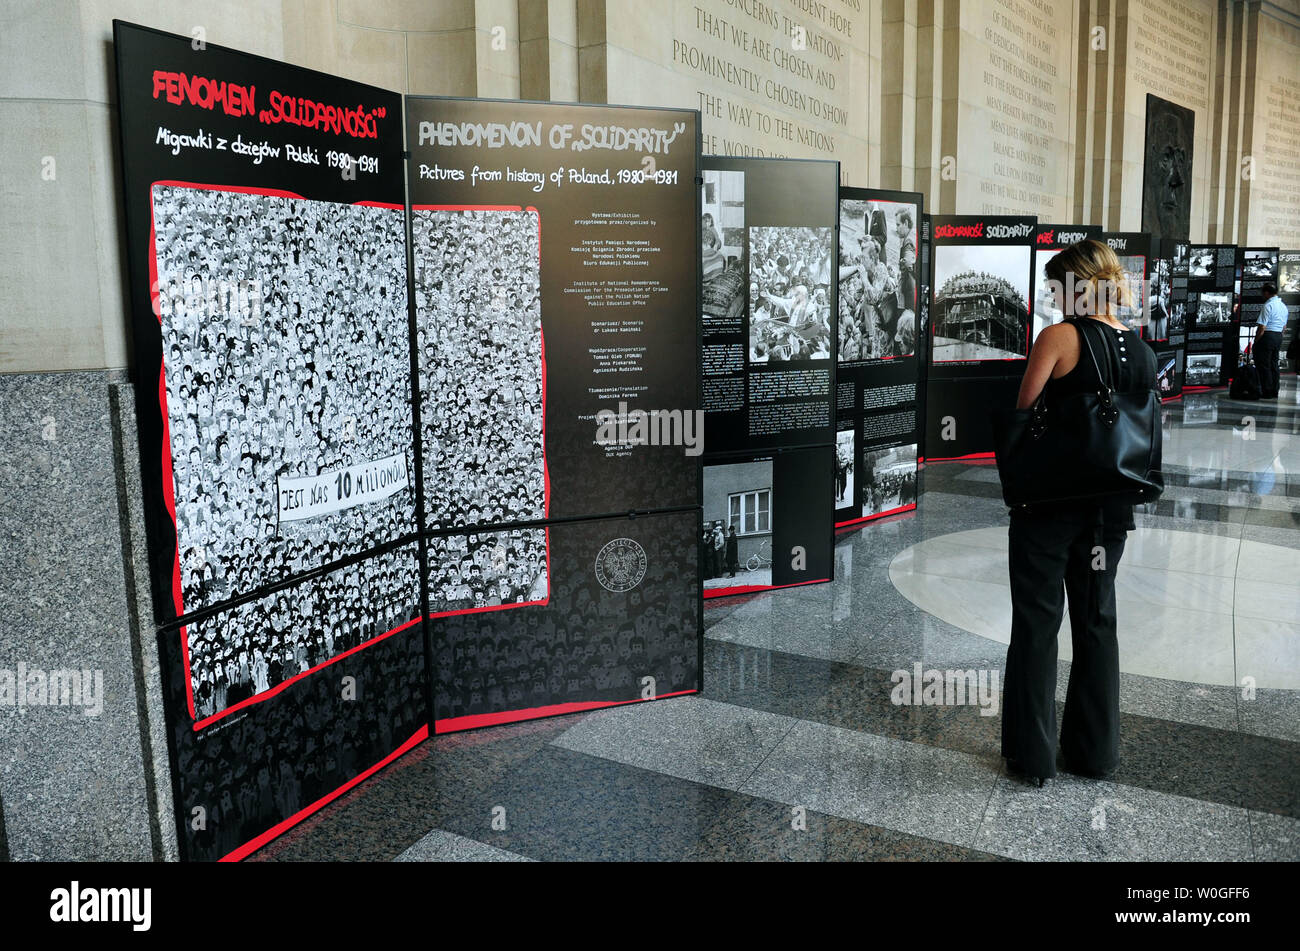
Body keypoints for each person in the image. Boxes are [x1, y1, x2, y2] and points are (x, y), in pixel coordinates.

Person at [1002, 239, 1158, 786]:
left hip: (1049, 507)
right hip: (1108, 512)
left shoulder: (1058, 338)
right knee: (1097, 622)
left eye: (1054, 285)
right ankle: (1095, 754)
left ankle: (1033, 756)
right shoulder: (1141, 349)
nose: (1050, 294)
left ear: (1075, 284)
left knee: (1038, 624)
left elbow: (1022, 414)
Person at [1254, 283, 1287, 399]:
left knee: (1264, 364)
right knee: (1274, 364)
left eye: (1263, 292)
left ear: (1267, 293)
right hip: (1278, 336)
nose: (1262, 295)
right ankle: (1274, 390)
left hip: (1267, 336)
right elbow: (1284, 327)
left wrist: (1256, 340)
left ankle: (1266, 391)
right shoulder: (1283, 306)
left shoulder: (1268, 305)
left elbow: (1262, 327)